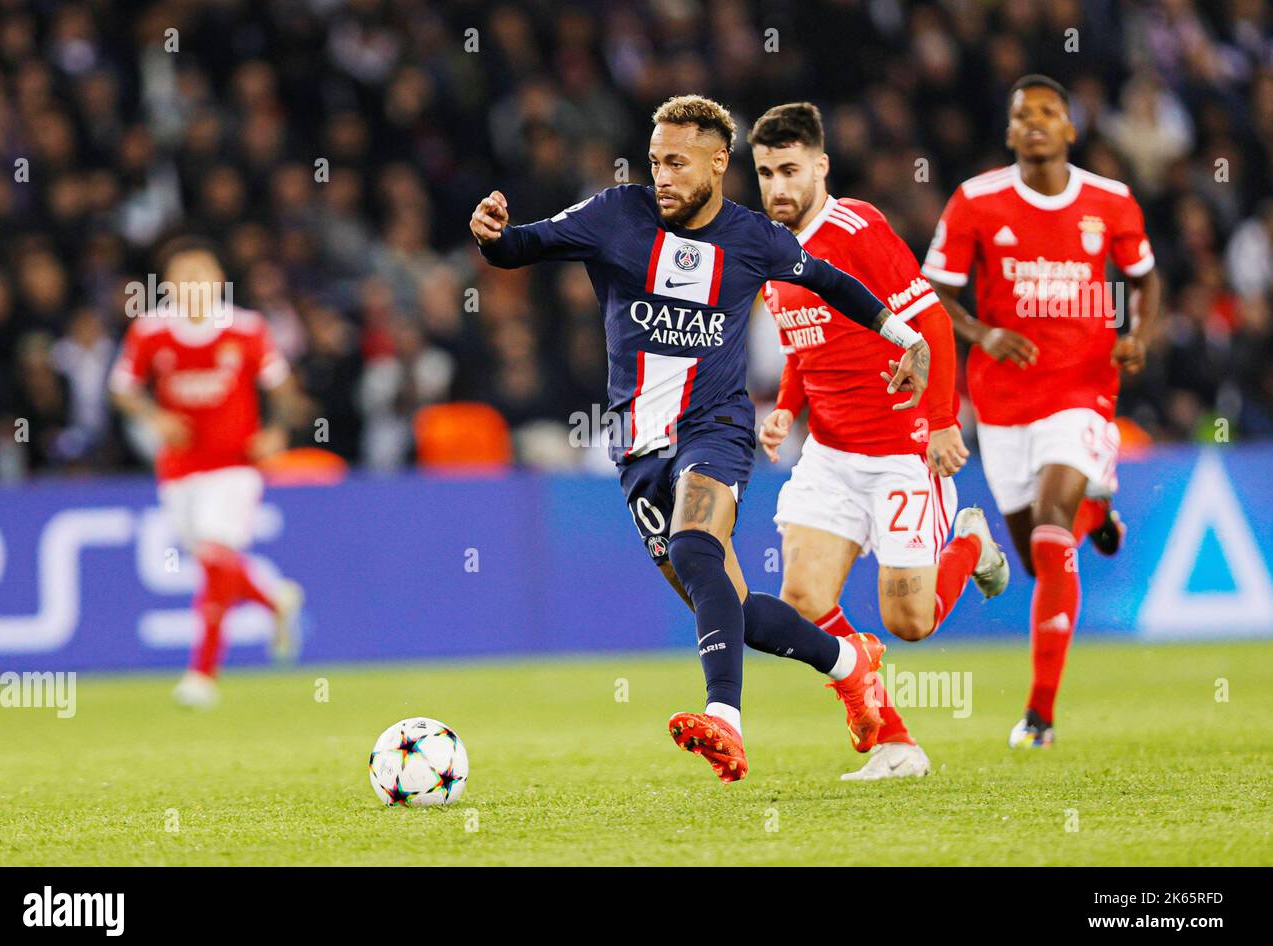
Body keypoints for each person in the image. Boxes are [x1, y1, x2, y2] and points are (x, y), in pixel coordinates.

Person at [470, 95, 930, 782]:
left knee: (695, 545)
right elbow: (520, 247)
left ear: (718, 163)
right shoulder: (615, 214)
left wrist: (904, 336)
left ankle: (725, 719)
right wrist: (492, 235)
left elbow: (831, 282)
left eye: (678, 163)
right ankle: (848, 662)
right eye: (656, 161)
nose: (662, 176)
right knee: (731, 608)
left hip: (714, 426)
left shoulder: (754, 238)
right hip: (637, 446)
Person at [750, 102, 1009, 780]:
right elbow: (804, 347)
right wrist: (785, 412)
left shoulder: (857, 228)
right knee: (802, 597)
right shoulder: (769, 250)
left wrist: (944, 421)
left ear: (821, 167)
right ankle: (896, 743)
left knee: (909, 622)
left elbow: (935, 325)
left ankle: (971, 543)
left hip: (901, 450)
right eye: (766, 173)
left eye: (790, 170)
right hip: (830, 455)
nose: (777, 187)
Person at [922, 76, 1161, 747]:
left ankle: (1040, 715)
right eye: (1022, 114)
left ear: (1069, 129)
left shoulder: (1111, 200)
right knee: (1039, 558)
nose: (1035, 121)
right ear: (1008, 132)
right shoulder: (976, 201)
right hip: (1002, 401)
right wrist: (983, 333)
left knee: (1052, 530)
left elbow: (1144, 279)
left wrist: (1138, 335)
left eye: (1048, 112)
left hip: (1083, 390)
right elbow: (934, 292)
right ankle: (1096, 513)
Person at [110, 236, 307, 708]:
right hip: (179, 467)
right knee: (213, 562)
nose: (193, 284)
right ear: (168, 286)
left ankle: (202, 674)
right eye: (182, 277)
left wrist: (277, 432)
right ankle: (274, 600)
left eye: (201, 274)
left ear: (219, 281)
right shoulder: (150, 331)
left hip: (235, 466)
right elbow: (122, 388)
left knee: (217, 558)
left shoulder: (246, 328)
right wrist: (154, 417)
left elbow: (282, 387)